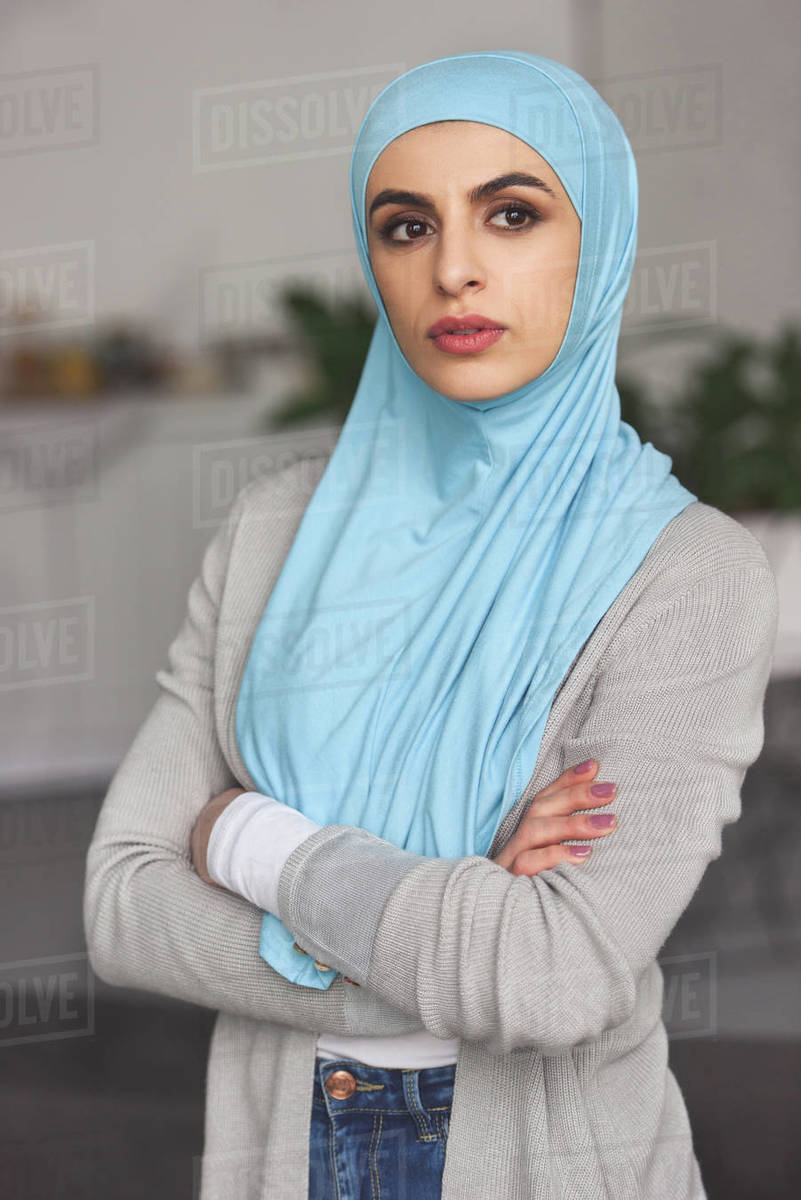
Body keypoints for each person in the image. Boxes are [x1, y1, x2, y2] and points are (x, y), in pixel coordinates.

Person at [84, 51, 778, 1200]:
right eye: (406, 227)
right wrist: (456, 924)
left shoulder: (688, 574)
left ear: (596, 240)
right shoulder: (271, 534)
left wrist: (249, 843)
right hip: (279, 1153)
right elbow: (119, 904)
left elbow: (554, 982)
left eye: (510, 214)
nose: (454, 269)